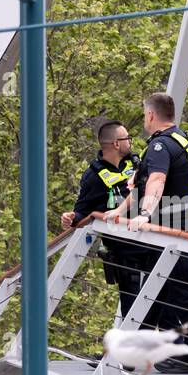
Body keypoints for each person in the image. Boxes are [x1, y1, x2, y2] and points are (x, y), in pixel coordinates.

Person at [103, 91, 188, 372]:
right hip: (181, 225)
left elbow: (157, 182)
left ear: (151, 115)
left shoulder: (161, 147)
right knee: (161, 290)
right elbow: (139, 182)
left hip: (172, 228)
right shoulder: (183, 141)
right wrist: (120, 212)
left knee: (182, 291)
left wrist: (145, 214)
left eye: (143, 113)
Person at [61, 119, 148, 321]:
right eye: (127, 138)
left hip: (151, 243)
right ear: (116, 143)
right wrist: (72, 217)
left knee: (161, 304)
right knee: (133, 312)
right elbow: (82, 211)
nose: (131, 142)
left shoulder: (137, 163)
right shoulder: (94, 176)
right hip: (125, 252)